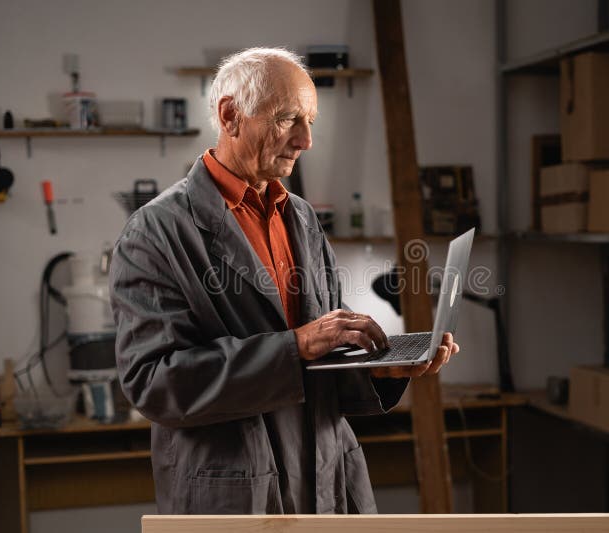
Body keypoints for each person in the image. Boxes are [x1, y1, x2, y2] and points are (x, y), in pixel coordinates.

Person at [109, 47, 460, 515]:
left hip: (327, 481)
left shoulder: (301, 218)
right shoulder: (155, 232)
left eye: (309, 120)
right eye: (288, 118)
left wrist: (381, 369)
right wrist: (293, 346)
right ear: (231, 115)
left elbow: (321, 366)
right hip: (235, 492)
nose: (306, 140)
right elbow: (155, 384)